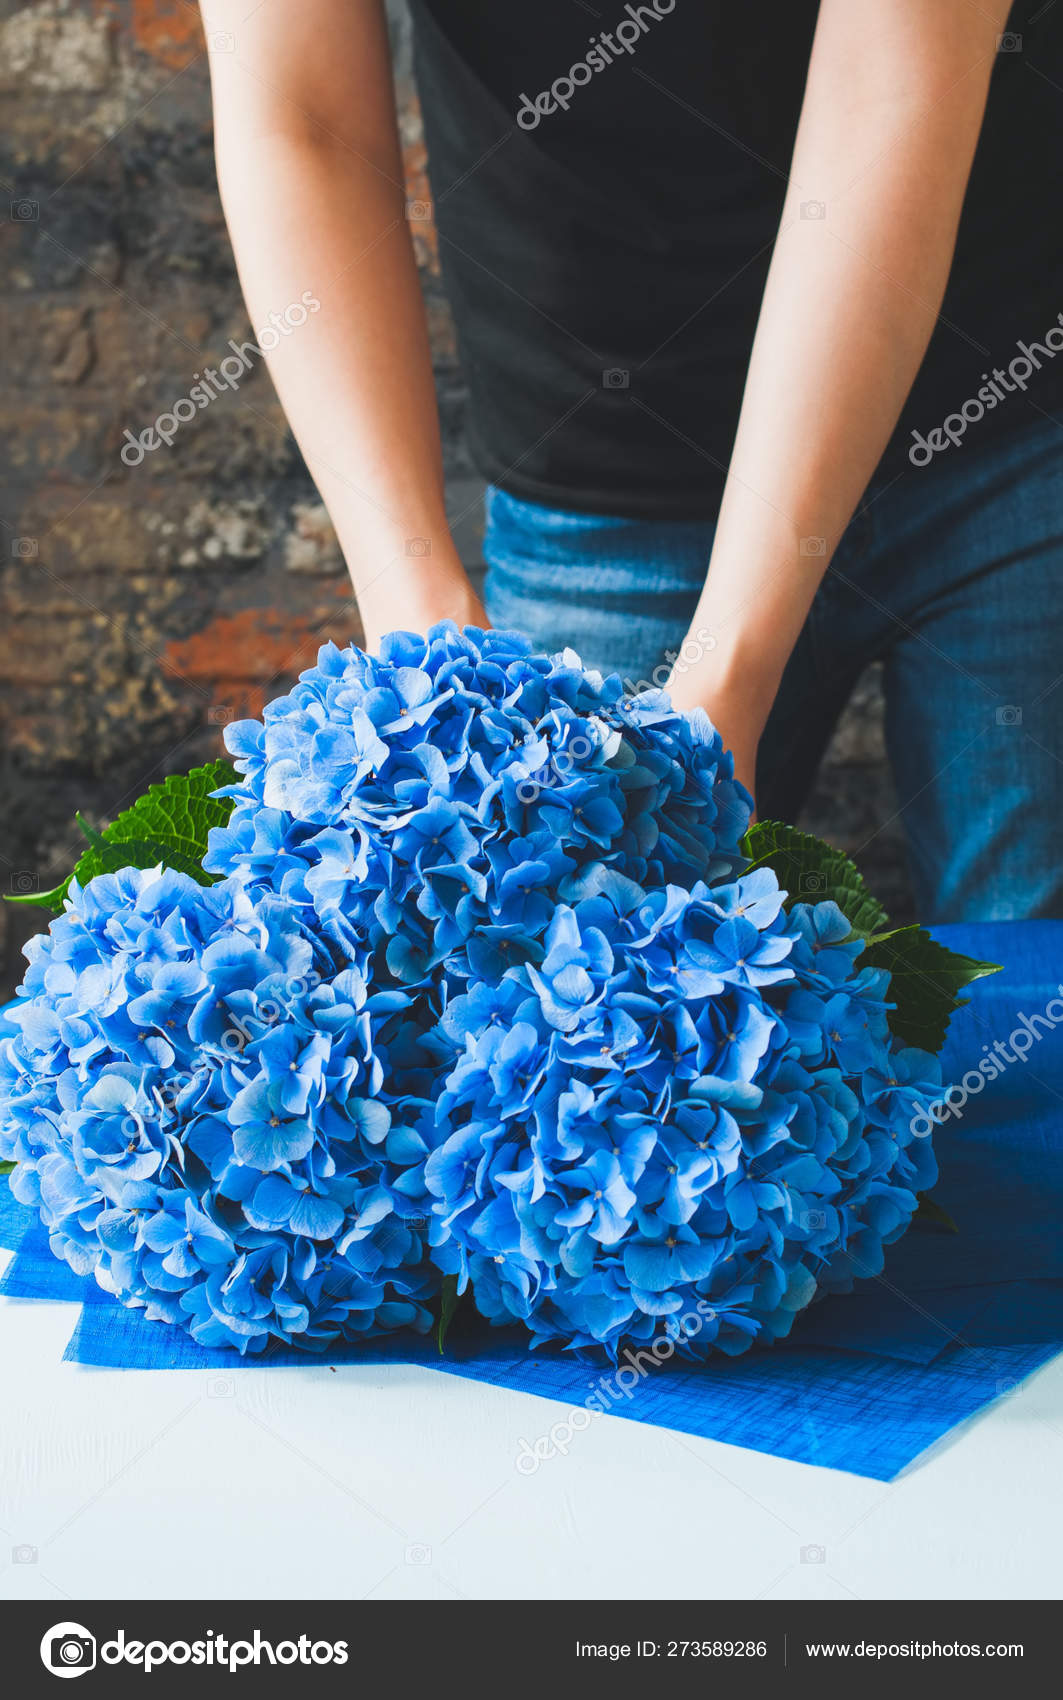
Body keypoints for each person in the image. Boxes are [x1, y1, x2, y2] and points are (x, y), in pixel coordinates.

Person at [199, 0, 1063, 922]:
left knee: (1029, 988)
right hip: (604, 481)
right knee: (561, 975)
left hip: (998, 415)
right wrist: (418, 625)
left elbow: (888, 86)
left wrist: (727, 669)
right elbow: (302, 119)